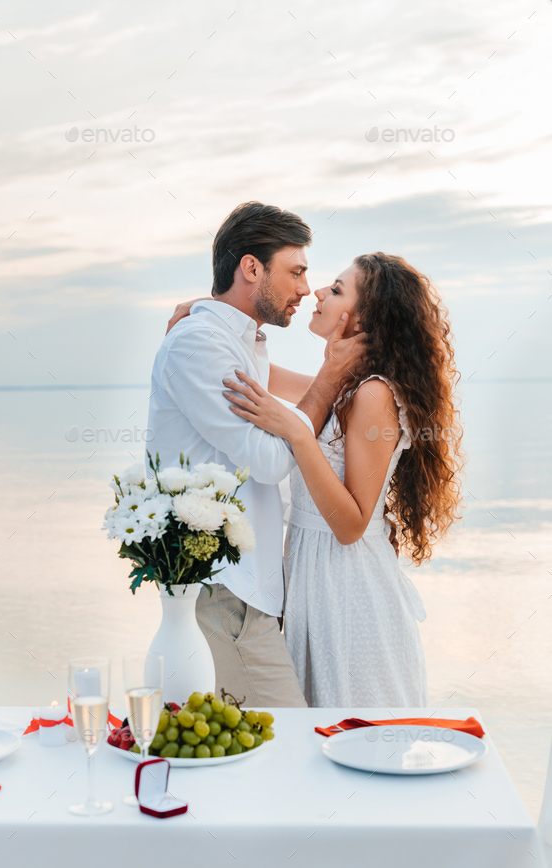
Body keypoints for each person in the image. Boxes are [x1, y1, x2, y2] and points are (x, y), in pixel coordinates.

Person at [146, 201, 366, 707]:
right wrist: (332, 375)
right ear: (251, 267)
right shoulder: (201, 342)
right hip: (226, 590)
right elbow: (269, 459)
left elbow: (314, 399)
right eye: (296, 271)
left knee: (255, 759)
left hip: (248, 592)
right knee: (288, 748)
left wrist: (369, 375)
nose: (306, 289)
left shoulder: (235, 338)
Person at [223, 253, 464, 707]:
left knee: (361, 741)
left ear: (363, 317)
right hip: (317, 582)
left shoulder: (374, 395)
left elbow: (351, 525)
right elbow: (260, 373)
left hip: (352, 594)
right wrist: (206, 309)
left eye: (335, 289)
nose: (316, 292)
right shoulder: (342, 386)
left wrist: (296, 431)